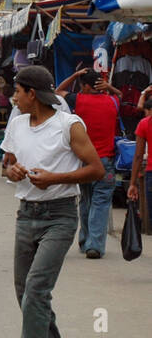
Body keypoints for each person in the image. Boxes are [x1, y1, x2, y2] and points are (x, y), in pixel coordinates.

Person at [0, 66, 104, 338]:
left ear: (33, 94)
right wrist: (11, 170)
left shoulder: (68, 126)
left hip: (59, 216)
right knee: (26, 293)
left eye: (17, 91)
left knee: (36, 289)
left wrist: (54, 178)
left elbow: (96, 169)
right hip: (25, 214)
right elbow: (7, 163)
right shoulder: (17, 124)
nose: (13, 97)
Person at [57, 68, 121, 258]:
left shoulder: (78, 100)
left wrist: (74, 76)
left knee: (85, 200)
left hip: (83, 161)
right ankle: (94, 245)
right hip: (105, 162)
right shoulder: (112, 101)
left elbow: (57, 92)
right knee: (100, 202)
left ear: (85, 85)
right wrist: (110, 87)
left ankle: (85, 241)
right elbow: (120, 95)